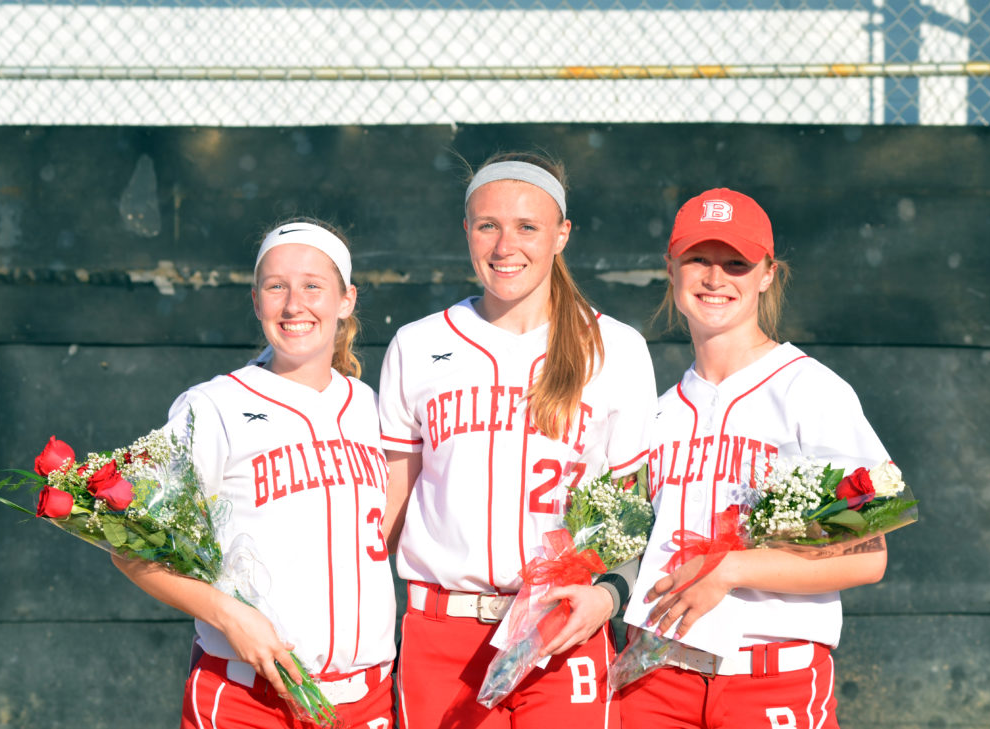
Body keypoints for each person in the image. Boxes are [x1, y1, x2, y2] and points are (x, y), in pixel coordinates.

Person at [378, 151, 658, 729]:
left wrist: (609, 597)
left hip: (561, 623)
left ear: (561, 234)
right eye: (488, 225)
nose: (505, 246)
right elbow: (391, 509)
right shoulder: (417, 345)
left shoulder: (616, 347)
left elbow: (633, 513)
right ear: (466, 230)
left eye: (527, 226)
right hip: (442, 628)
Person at [618, 188, 890, 729]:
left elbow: (870, 556)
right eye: (698, 259)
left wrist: (732, 570)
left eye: (737, 263)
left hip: (768, 676)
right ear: (670, 269)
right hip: (653, 680)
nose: (715, 278)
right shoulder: (656, 413)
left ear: (767, 274)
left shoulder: (812, 391)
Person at [113, 220, 397, 729]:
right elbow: (129, 547)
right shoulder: (212, 406)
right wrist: (228, 614)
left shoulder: (368, 406)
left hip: (367, 701)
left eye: (313, 286)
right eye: (276, 287)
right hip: (250, 700)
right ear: (256, 300)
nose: (294, 305)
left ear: (346, 300)